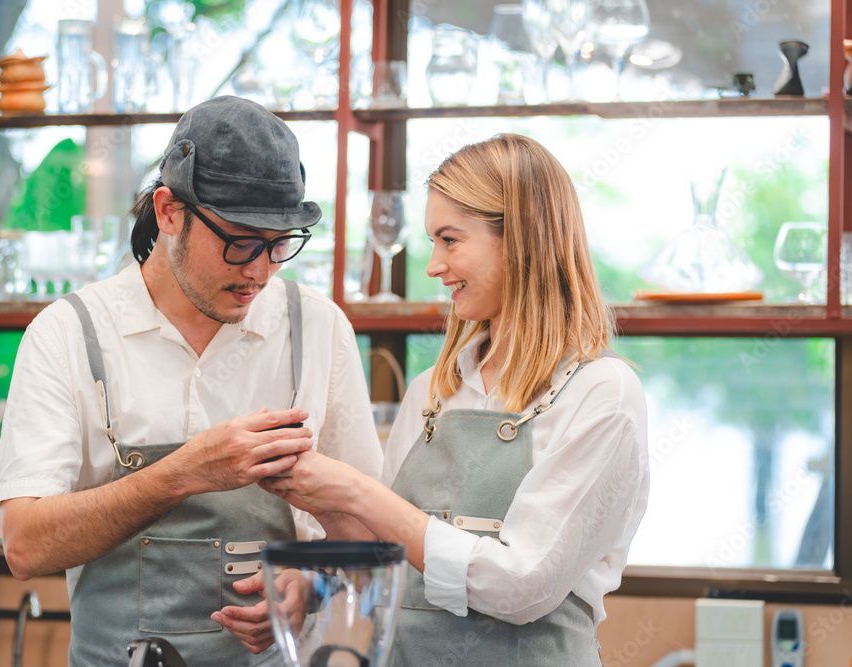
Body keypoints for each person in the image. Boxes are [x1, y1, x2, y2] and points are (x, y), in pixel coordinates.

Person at [0, 96, 383, 667]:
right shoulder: (70, 334)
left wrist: (312, 583)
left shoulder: (317, 329)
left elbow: (366, 530)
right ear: (168, 212)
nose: (260, 271)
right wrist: (185, 473)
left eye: (280, 243)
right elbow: (23, 544)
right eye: (240, 241)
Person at [260, 133, 650, 665]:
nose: (433, 265)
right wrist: (314, 562)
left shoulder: (602, 394)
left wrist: (354, 490)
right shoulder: (431, 393)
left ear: (521, 239)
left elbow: (521, 586)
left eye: (450, 240)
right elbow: (388, 553)